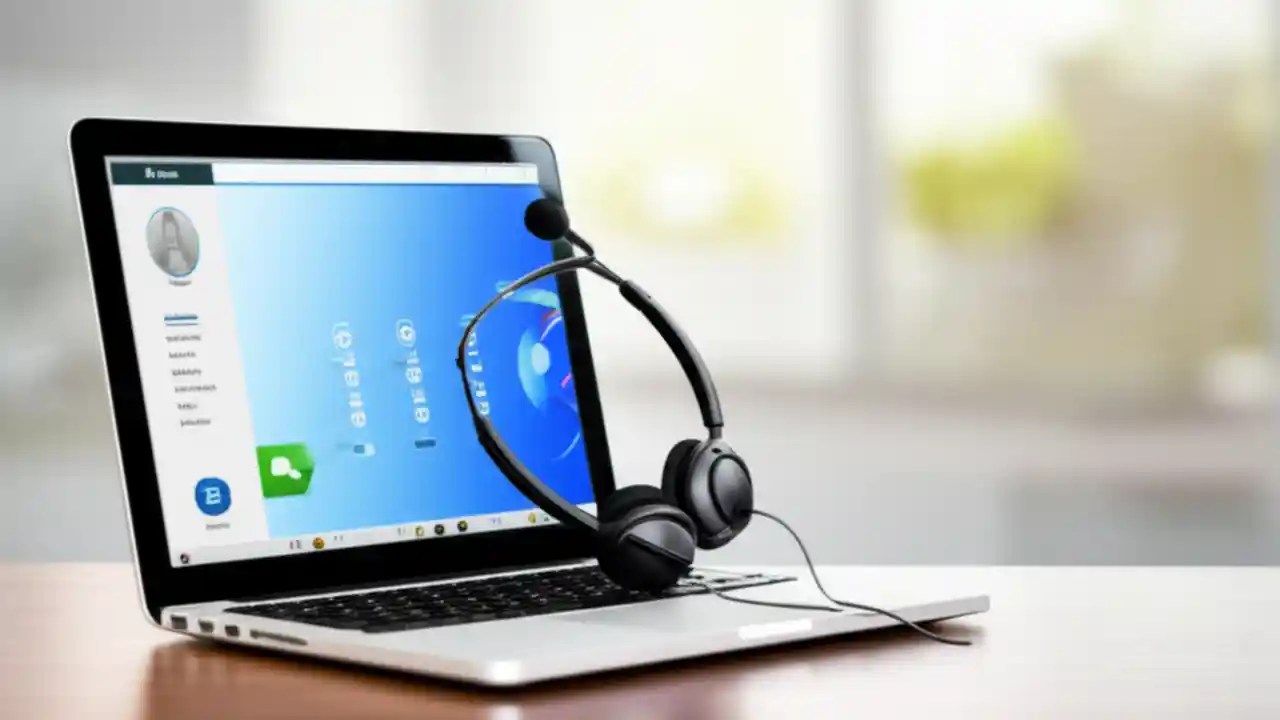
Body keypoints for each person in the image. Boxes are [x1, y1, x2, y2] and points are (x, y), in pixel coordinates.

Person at [151, 210, 196, 276]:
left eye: (172, 230)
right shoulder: (161, 258)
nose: (170, 235)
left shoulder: (187, 255)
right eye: (167, 231)